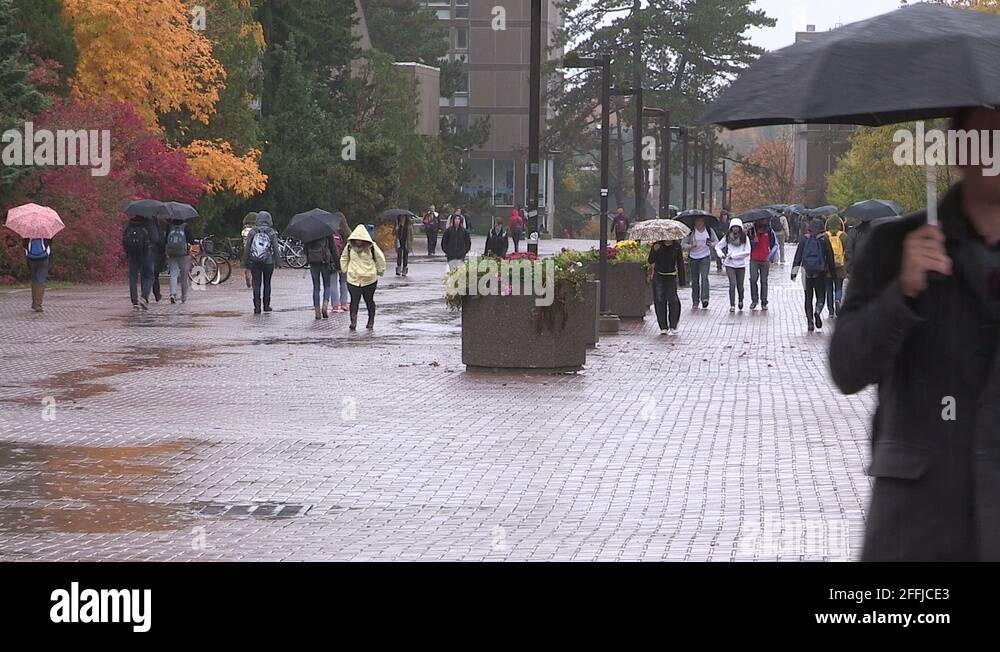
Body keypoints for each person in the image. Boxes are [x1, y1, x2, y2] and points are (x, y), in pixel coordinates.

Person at [830, 106, 1000, 561]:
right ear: (959, 148)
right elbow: (847, 367)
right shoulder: (893, 244)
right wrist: (902, 292)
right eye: (987, 134)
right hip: (916, 527)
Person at [340, 225, 386, 331]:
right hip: (353, 279)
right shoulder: (349, 247)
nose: (358, 241)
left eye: (361, 239)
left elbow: (380, 259)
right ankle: (353, 321)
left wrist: (379, 271)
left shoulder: (372, 247)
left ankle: (371, 320)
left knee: (369, 300)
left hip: (369, 279)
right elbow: (344, 258)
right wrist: (345, 270)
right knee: (354, 300)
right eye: (357, 238)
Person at [790, 218, 833, 332]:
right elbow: (830, 257)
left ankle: (810, 322)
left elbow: (798, 256)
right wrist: (832, 273)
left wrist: (794, 272)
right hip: (820, 272)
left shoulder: (804, 239)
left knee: (808, 297)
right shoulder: (825, 240)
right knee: (821, 296)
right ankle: (817, 311)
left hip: (806, 272)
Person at [241, 211, 282, 315]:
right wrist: (278, 262)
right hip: (268, 262)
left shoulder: (252, 232)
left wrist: (245, 262)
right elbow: (276, 249)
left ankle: (257, 307)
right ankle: (266, 305)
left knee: (256, 283)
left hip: (255, 261)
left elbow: (247, 248)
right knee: (267, 283)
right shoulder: (271, 232)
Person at [648, 239, 687, 335]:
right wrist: (654, 250)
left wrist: (682, 280)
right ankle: (663, 326)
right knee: (660, 299)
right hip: (659, 275)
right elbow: (650, 260)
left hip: (671, 276)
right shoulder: (657, 244)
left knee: (673, 300)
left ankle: (673, 325)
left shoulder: (676, 246)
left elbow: (680, 262)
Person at [123, 215, 159, 311]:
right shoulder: (149, 223)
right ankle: (144, 297)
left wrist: (127, 252)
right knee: (149, 276)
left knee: (133, 277)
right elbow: (156, 238)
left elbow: (124, 239)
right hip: (146, 253)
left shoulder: (130, 224)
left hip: (132, 254)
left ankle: (134, 301)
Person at [715, 218, 751, 312]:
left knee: (740, 285)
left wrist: (735, 256)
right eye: (733, 227)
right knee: (732, 283)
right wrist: (722, 255)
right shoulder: (727, 237)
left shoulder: (744, 238)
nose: (735, 229)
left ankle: (740, 300)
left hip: (740, 265)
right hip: (730, 264)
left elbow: (747, 251)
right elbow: (718, 246)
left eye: (737, 227)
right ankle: (732, 304)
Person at [682, 216, 717, 309]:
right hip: (693, 258)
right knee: (695, 280)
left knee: (704, 277)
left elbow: (716, 242)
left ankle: (705, 299)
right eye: (697, 221)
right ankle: (695, 301)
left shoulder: (709, 230)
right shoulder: (690, 232)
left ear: (704, 222)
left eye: (701, 221)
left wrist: (711, 244)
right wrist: (691, 246)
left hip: (705, 257)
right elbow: (683, 245)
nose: (699, 223)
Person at [305, 230, 338, 320]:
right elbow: (333, 248)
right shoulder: (327, 232)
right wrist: (337, 264)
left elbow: (305, 249)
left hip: (313, 263)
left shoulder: (308, 233)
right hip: (325, 261)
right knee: (327, 285)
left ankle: (317, 311)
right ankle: (325, 305)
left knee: (316, 287)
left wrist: (308, 260)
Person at [822, 215, 850, 317]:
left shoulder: (825, 236)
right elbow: (848, 251)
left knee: (829, 288)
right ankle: (837, 300)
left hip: (828, 267)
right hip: (840, 267)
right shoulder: (844, 236)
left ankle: (830, 311)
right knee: (839, 287)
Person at [748, 218, 778, 311]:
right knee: (753, 279)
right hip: (753, 259)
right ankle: (754, 300)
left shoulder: (769, 231)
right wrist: (753, 242)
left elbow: (774, 245)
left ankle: (764, 301)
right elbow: (746, 245)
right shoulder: (751, 232)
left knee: (764, 281)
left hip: (765, 259)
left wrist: (771, 258)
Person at [163, 218, 194, 304]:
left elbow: (165, 240)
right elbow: (191, 240)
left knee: (173, 274)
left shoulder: (170, 226)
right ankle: (183, 297)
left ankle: (172, 294)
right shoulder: (186, 227)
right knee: (184, 276)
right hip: (184, 254)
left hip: (172, 253)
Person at [23, 236, 52, 313]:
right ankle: (38, 304)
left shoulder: (27, 233)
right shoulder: (46, 232)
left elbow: (24, 246)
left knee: (34, 279)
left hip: (31, 258)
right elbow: (49, 245)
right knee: (41, 280)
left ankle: (34, 303)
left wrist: (28, 255)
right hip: (43, 258)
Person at [331, 215, 351, 313]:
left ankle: (335, 306)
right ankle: (344, 303)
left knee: (333, 283)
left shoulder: (330, 231)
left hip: (332, 261)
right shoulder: (347, 232)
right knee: (344, 282)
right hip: (344, 260)